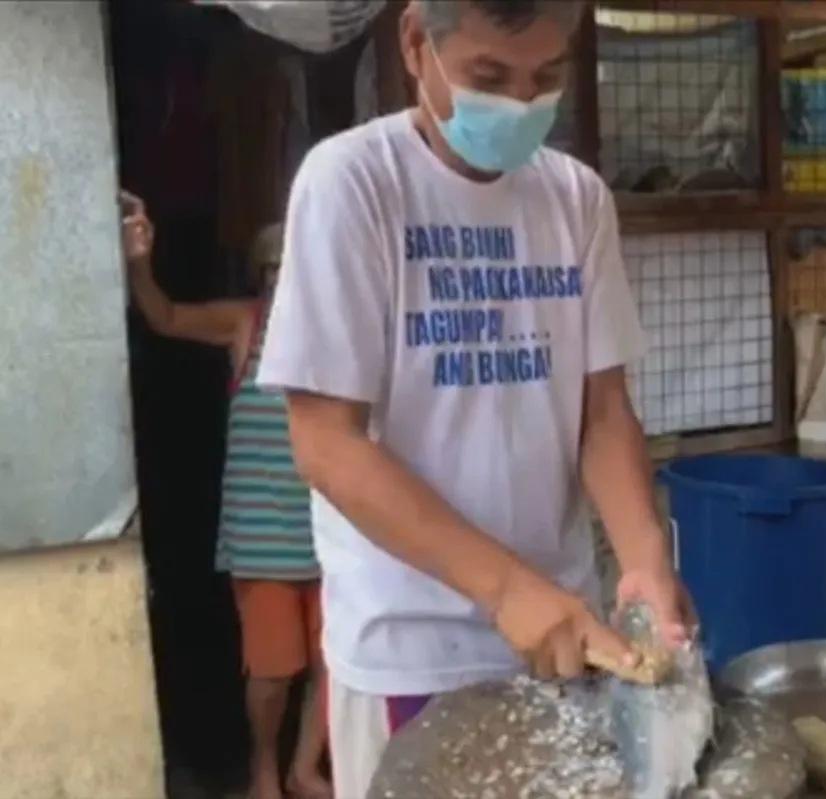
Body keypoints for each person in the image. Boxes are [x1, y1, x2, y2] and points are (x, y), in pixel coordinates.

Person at [255, 1, 696, 794]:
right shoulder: (353, 184)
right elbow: (325, 442)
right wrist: (506, 589)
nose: (521, 106)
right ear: (417, 43)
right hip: (411, 650)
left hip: (565, 639)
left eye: (546, 79)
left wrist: (642, 561)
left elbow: (602, 410)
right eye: (490, 77)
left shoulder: (577, 198)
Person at [120, 195, 330, 799]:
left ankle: (305, 769)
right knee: (271, 671)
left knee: (333, 660)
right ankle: (265, 765)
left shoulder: (336, 334)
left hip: (331, 526)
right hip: (263, 532)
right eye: (274, 268)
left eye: (297, 265)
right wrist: (140, 260)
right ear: (262, 276)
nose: (285, 278)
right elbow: (163, 316)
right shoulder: (247, 324)